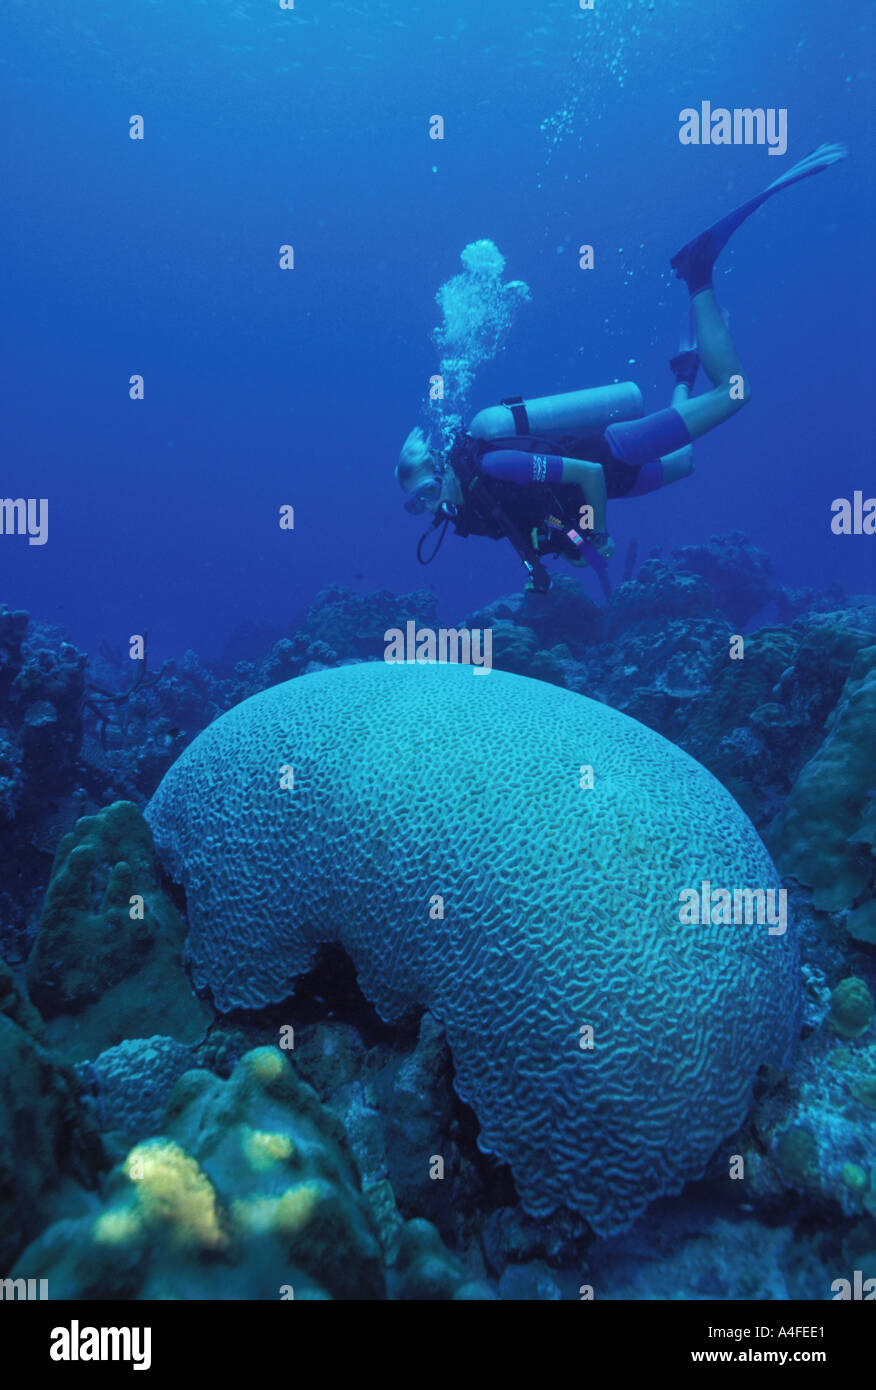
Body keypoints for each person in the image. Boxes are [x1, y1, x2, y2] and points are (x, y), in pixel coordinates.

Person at [397, 143, 847, 590]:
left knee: (735, 392)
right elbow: (546, 508)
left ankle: (697, 272)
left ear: (441, 468)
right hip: (620, 481)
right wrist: (577, 544)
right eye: (417, 506)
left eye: (426, 493)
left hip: (613, 453)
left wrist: (598, 533)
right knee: (686, 461)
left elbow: (584, 472)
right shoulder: (479, 507)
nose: (430, 506)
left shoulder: (492, 468)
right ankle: (684, 371)